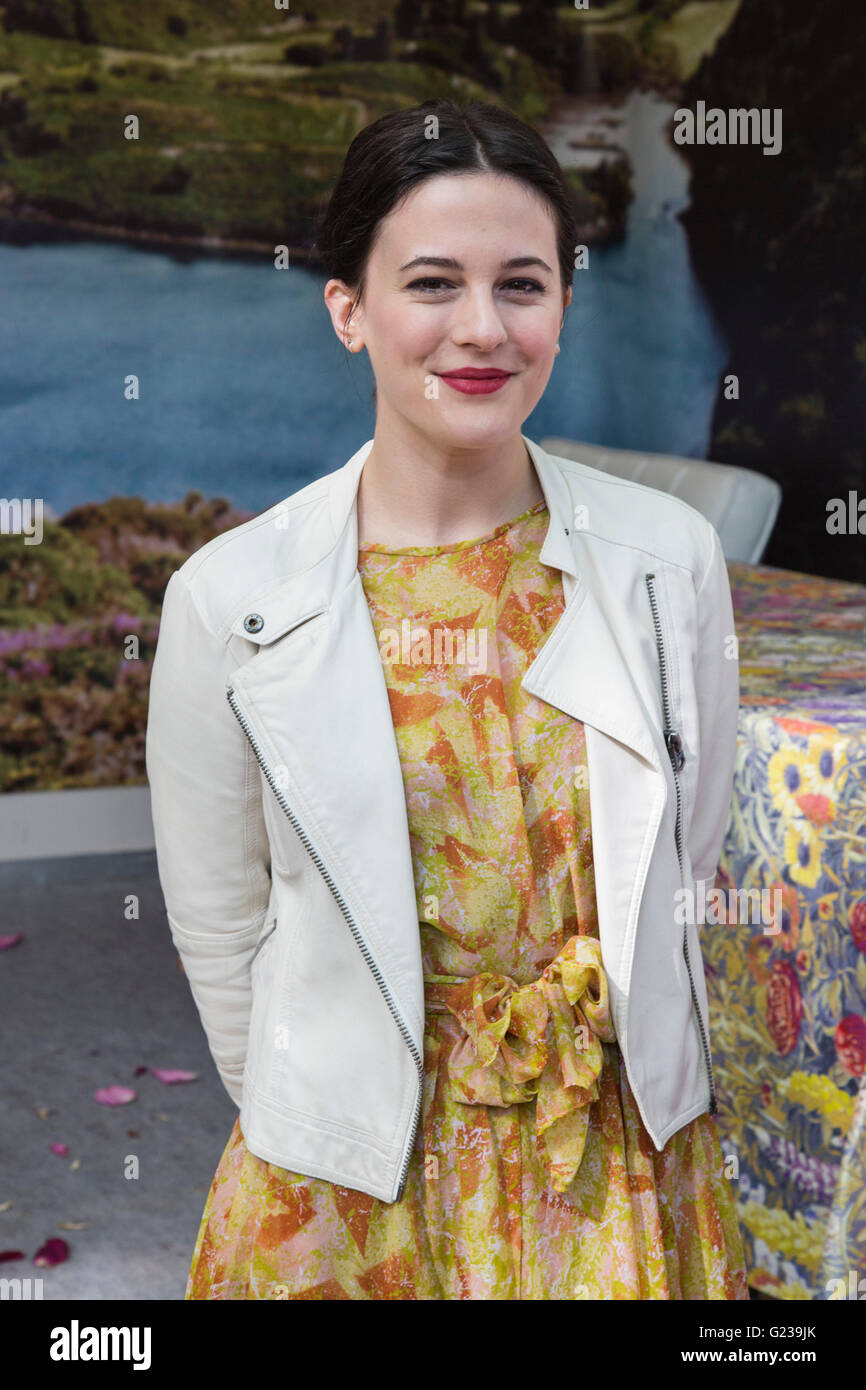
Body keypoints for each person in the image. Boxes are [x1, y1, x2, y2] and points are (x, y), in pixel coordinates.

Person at [145, 97, 749, 1300]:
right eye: (430, 283)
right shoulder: (231, 598)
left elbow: (690, 845)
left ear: (563, 309)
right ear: (348, 310)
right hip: (352, 1176)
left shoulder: (665, 558)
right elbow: (222, 928)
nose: (480, 329)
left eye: (521, 284)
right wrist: (317, 1106)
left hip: (611, 1155)